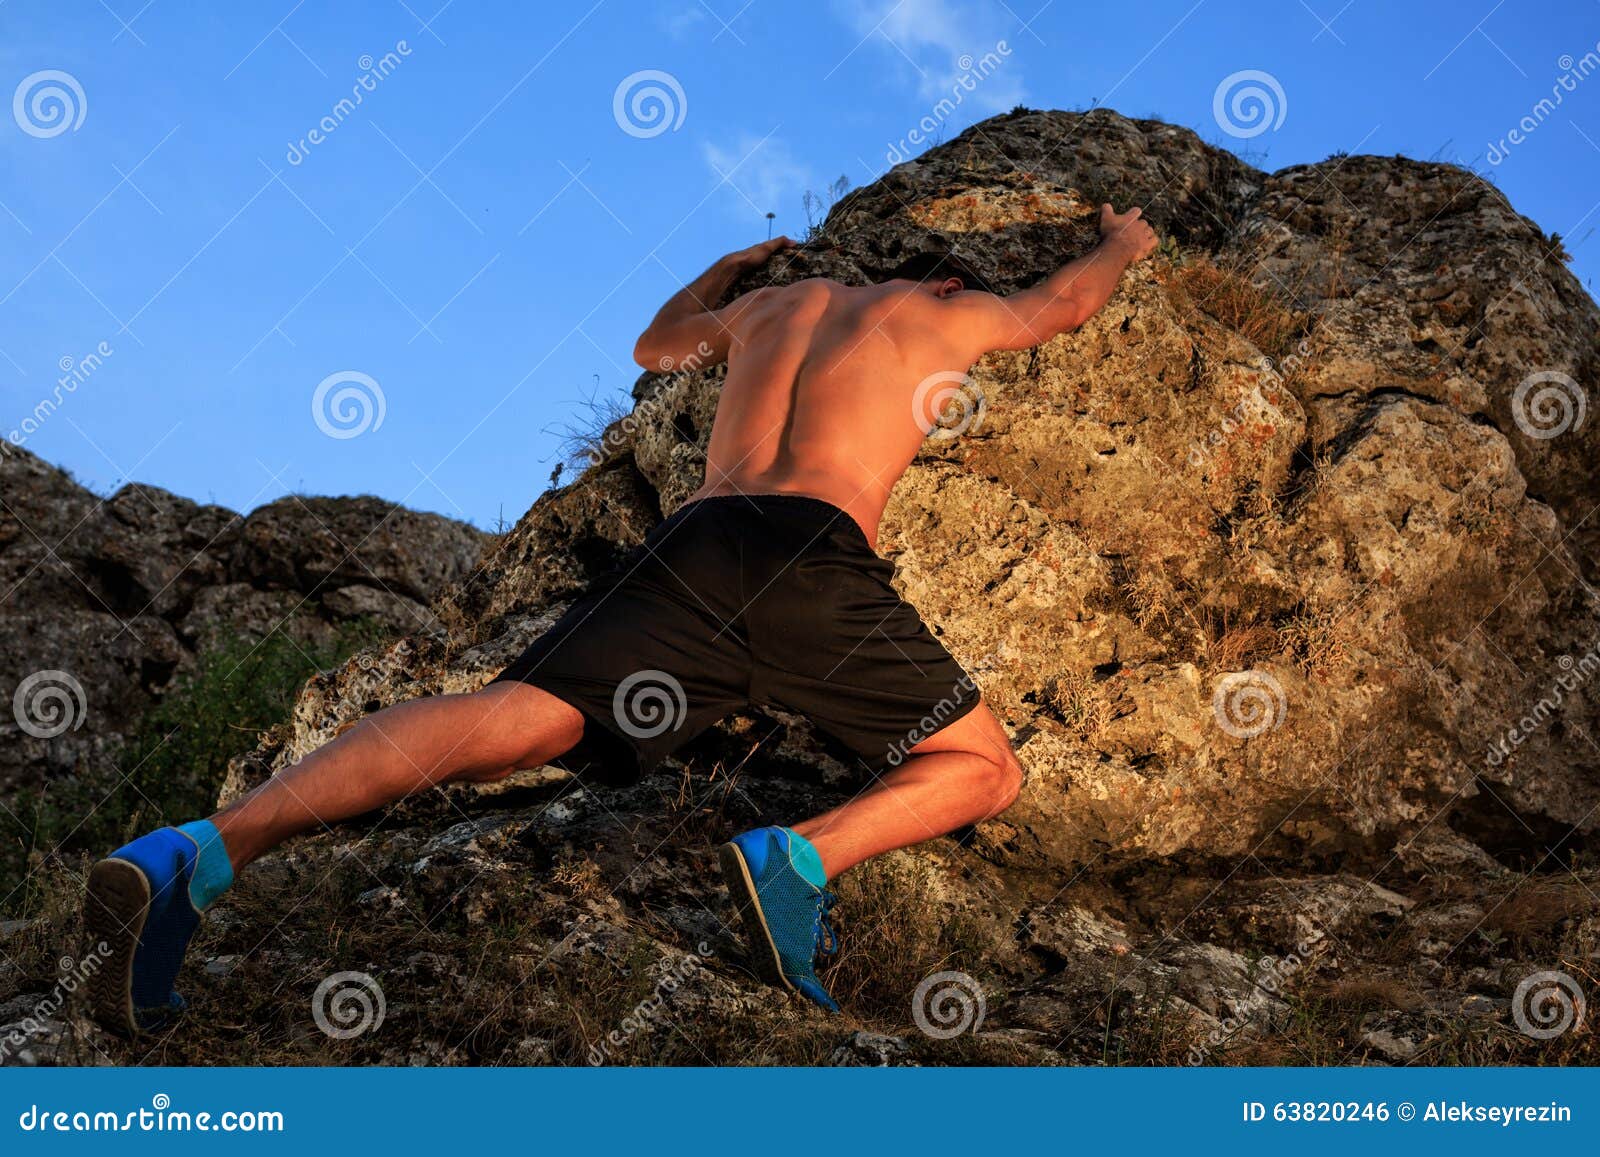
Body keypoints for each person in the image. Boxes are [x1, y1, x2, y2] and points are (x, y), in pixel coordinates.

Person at [85, 204, 1159, 1032]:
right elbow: (1061, 303)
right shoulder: (940, 311)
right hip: (810, 552)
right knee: (982, 767)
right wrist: (1119, 243)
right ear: (944, 278)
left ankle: (200, 848)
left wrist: (726, 268)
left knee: (514, 716)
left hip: (690, 545)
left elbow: (654, 346)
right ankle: (797, 861)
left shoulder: (768, 311)